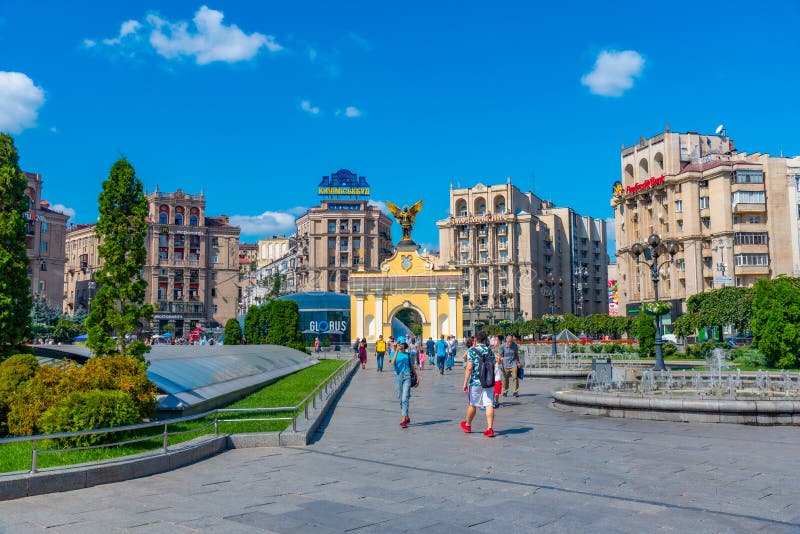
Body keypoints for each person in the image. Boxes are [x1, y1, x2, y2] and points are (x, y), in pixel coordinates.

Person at [460, 330, 495, 437]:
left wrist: (465, 382)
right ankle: (490, 428)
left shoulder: (472, 351)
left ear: (476, 339)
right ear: (485, 340)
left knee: (473, 404)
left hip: (475, 382)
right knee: (489, 404)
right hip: (488, 381)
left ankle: (468, 425)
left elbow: (469, 367)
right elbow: (493, 364)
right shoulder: (489, 350)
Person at [389, 336, 417, 428]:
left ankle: (403, 419)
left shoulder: (408, 355)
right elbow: (392, 363)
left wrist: (416, 377)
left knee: (405, 398)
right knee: (400, 397)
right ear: (397, 344)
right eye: (399, 344)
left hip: (407, 376)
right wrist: (396, 351)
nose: (401, 345)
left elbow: (412, 367)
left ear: (405, 344)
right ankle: (406, 416)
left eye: (402, 344)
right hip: (398, 376)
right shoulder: (393, 353)